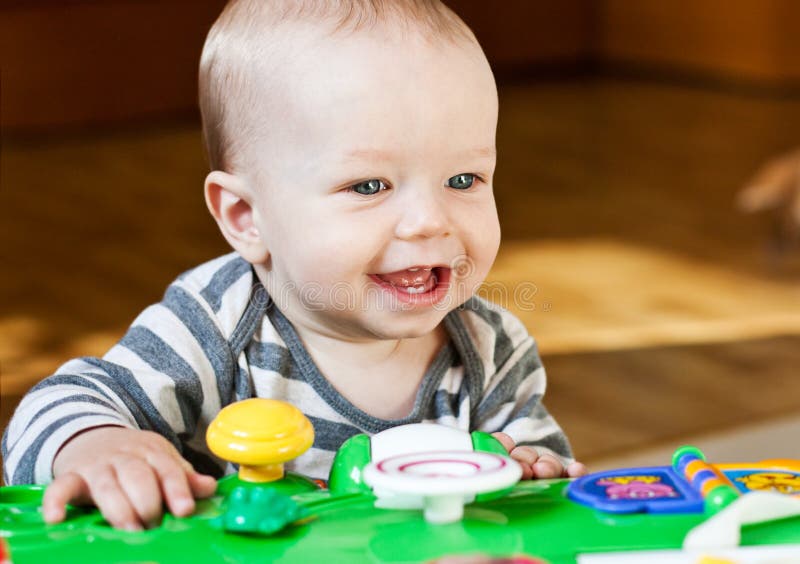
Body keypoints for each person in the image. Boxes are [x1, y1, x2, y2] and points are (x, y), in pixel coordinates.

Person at [2, 0, 586, 532]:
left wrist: (533, 472)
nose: (430, 221)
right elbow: (56, 406)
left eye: (463, 179)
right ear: (246, 217)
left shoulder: (490, 347)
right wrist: (97, 445)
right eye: (369, 185)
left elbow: (546, 502)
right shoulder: (213, 326)